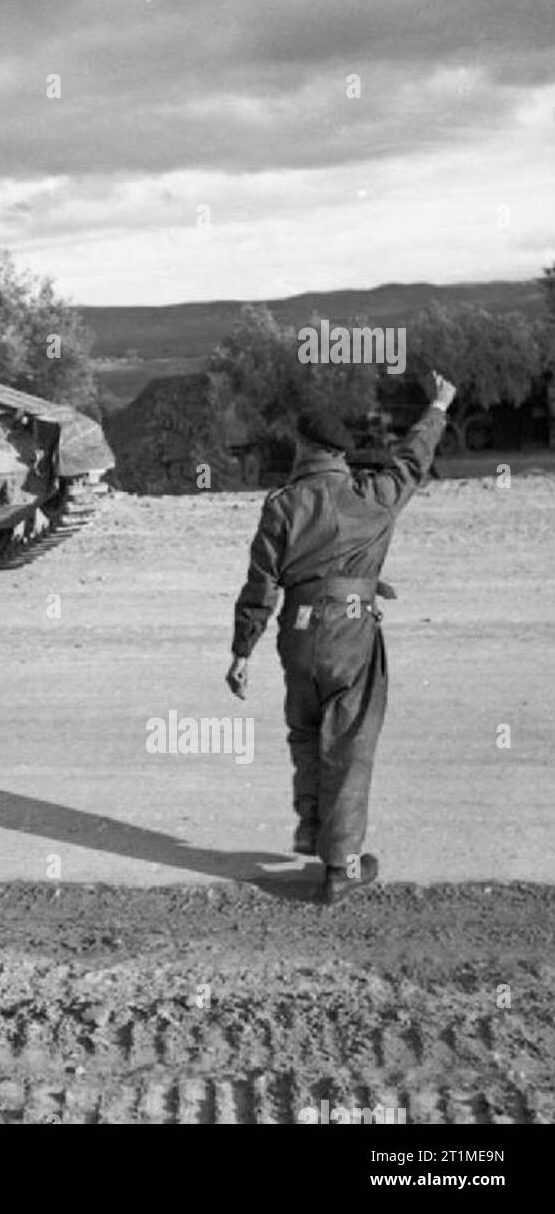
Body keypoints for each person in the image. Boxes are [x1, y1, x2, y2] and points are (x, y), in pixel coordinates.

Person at [225, 373, 456, 905]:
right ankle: (341, 867)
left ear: (305, 447)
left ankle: (311, 828)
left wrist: (242, 650)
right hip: (350, 629)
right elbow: (412, 459)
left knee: (306, 732)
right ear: (341, 454)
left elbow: (260, 584)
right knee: (348, 746)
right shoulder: (373, 497)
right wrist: (439, 405)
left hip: (297, 632)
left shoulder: (281, 505)